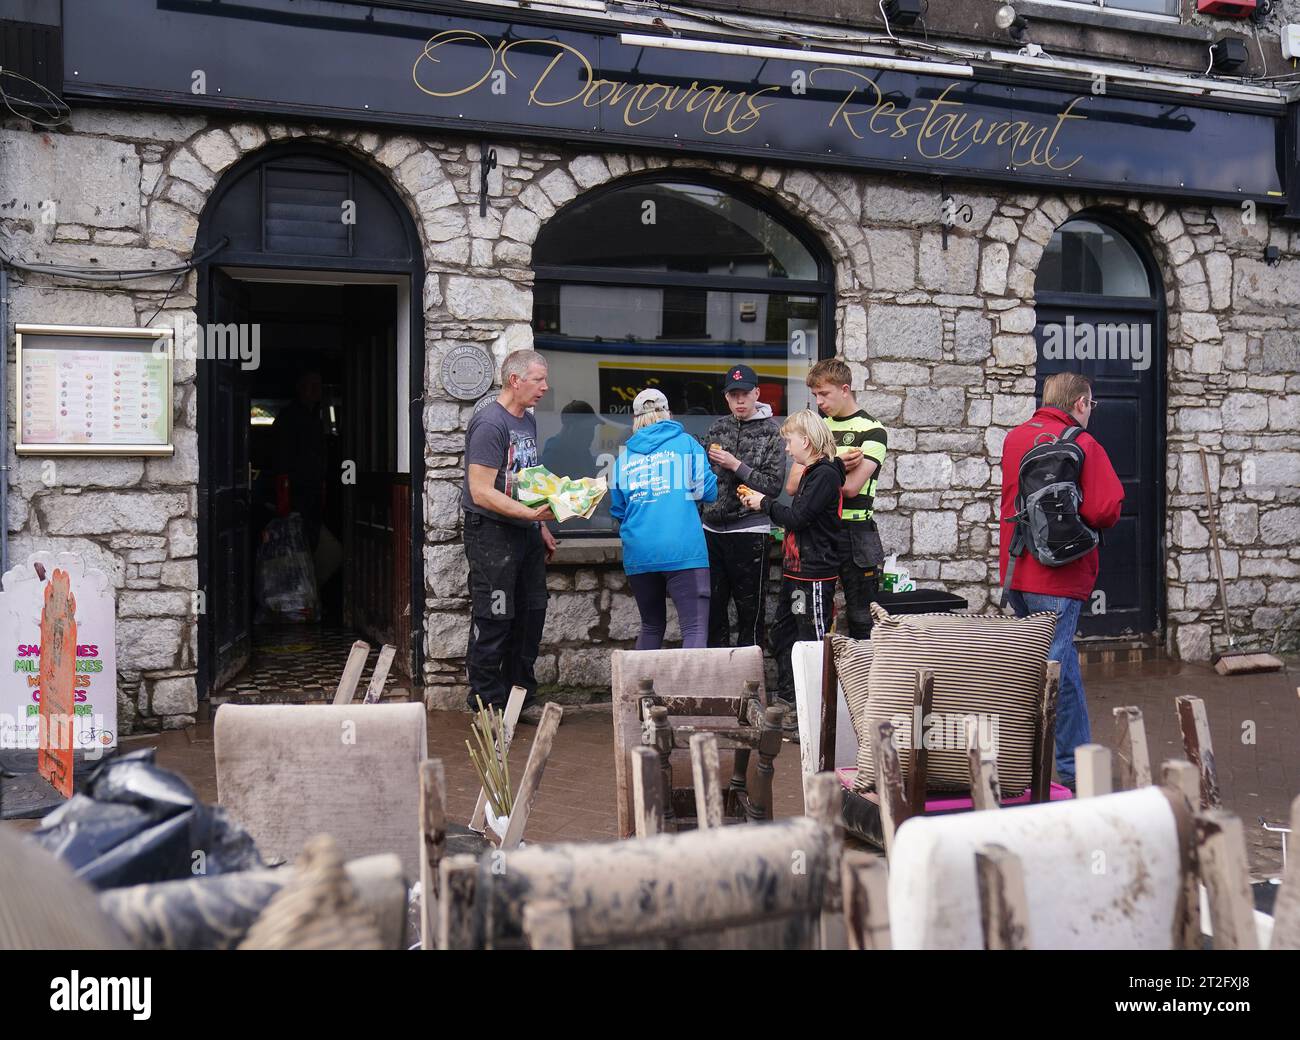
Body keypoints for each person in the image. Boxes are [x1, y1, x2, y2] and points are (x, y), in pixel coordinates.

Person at [999, 372, 1124, 790]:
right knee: (1058, 674)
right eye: (1092, 405)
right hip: (1059, 577)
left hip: (1016, 572)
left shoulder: (1015, 438)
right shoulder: (1083, 444)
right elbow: (1108, 508)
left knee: (1040, 668)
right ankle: (1071, 772)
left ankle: (1024, 763)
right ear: (1081, 403)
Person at [461, 349, 558, 714]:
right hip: (491, 535)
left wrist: (542, 526)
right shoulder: (490, 424)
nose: (545, 387)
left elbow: (527, 479)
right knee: (495, 616)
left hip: (526, 533)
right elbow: (480, 491)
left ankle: (522, 699)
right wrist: (532, 517)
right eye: (538, 380)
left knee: (532, 613)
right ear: (515, 380)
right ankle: (486, 702)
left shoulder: (526, 421)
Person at [740, 410, 845, 722]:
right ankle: (791, 699)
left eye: (789, 441)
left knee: (813, 642)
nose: (786, 448)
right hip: (796, 571)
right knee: (785, 634)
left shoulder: (824, 475)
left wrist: (764, 504)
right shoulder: (813, 473)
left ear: (807, 440)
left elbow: (799, 518)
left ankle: (816, 716)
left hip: (814, 573)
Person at [610, 387, 718, 650]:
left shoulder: (622, 460)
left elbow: (618, 511)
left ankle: (639, 691)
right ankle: (692, 692)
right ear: (667, 412)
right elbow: (707, 492)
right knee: (693, 630)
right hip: (683, 549)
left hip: (640, 553)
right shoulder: (687, 444)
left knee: (651, 627)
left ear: (636, 419)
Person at [786, 359, 887, 639]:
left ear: (845, 389)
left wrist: (820, 470)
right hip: (818, 534)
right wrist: (836, 463)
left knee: (861, 617)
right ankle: (818, 681)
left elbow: (853, 487)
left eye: (824, 394)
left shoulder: (873, 430)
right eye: (815, 395)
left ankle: (863, 681)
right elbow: (793, 485)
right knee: (809, 615)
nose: (819, 402)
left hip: (856, 532)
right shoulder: (817, 427)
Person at [701, 364, 786, 649]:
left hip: (749, 531)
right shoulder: (716, 428)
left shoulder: (771, 433)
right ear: (726, 397)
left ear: (757, 394)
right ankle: (718, 682)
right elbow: (698, 477)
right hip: (711, 530)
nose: (740, 400)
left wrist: (735, 465)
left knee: (751, 612)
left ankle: (749, 683)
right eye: (733, 394)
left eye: (745, 394)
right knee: (713, 611)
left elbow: (773, 486)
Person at [270, 370, 326, 551]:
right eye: (311, 385)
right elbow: (280, 457)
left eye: (318, 386)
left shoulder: (316, 418)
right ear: (300, 388)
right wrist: (285, 495)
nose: (316, 390)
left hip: (313, 489)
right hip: (295, 490)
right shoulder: (288, 418)